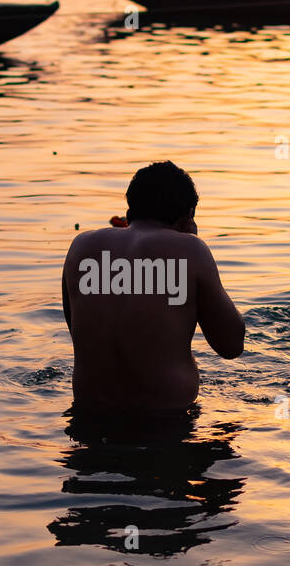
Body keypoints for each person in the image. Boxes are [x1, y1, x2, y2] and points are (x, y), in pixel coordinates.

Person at [62, 161, 244, 412]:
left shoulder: (81, 247)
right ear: (187, 215)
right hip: (167, 424)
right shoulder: (190, 249)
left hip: (88, 418)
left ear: (130, 209)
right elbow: (232, 345)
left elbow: (79, 330)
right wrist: (192, 242)